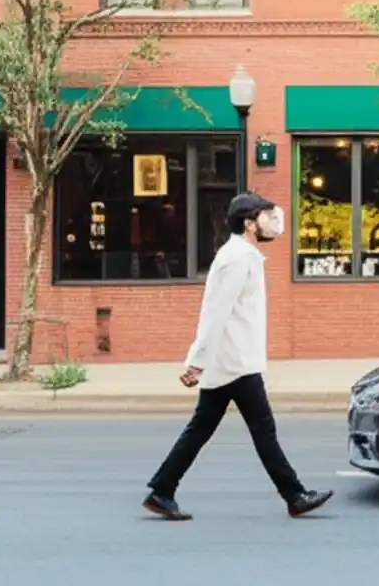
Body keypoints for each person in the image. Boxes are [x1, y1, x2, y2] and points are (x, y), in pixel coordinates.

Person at [143, 192, 333, 520]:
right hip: (235, 362)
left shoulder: (243, 255)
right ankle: (295, 495)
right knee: (263, 429)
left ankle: (162, 490)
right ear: (248, 223)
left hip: (230, 360)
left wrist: (199, 360)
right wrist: (197, 361)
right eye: (264, 216)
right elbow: (215, 312)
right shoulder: (236, 258)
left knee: (201, 428)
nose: (272, 222)